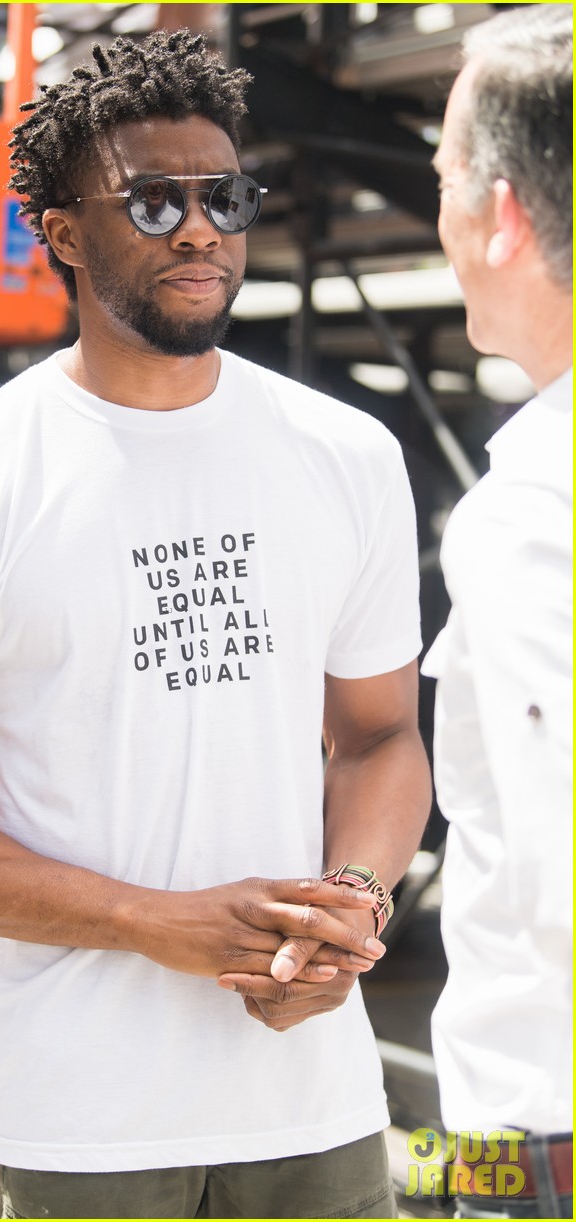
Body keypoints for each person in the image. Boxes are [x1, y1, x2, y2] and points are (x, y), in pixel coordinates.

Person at [0, 30, 431, 1220]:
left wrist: (354, 898)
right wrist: (154, 925)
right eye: (152, 201)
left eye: (224, 197)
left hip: (314, 1102)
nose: (198, 229)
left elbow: (377, 739)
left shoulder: (347, 456)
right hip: (85, 1127)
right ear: (59, 231)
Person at [423, 6, 572, 1218]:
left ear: (504, 213)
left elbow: (557, 872)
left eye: (441, 181)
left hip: (537, 1148)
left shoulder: (532, 508)